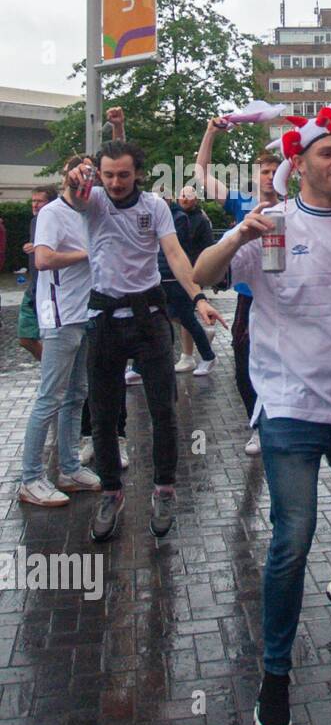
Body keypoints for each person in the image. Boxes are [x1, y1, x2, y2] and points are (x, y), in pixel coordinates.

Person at [193, 103, 331, 725]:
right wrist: (236, 238)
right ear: (299, 164)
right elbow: (199, 278)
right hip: (290, 408)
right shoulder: (273, 226)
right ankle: (275, 674)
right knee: (291, 540)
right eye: (328, 154)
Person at [64, 141, 224, 542]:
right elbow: (73, 195)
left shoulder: (154, 206)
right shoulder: (93, 200)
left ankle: (164, 489)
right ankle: (111, 492)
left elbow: (173, 253)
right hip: (103, 320)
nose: (115, 182)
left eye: (123, 174)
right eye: (108, 174)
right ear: (98, 175)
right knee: (102, 415)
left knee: (163, 411)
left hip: (150, 319)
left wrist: (198, 298)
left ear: (136, 173)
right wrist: (71, 182)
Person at [18, 163, 103, 506]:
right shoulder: (52, 213)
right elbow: (43, 259)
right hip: (59, 316)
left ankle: (69, 468)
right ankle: (31, 478)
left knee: (76, 393)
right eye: (84, 186)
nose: (89, 194)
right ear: (71, 183)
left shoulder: (88, 211)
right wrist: (87, 254)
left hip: (83, 312)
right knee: (49, 397)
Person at [198, 118, 284, 455]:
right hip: (251, 298)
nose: (268, 177)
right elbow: (202, 174)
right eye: (263, 171)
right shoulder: (241, 201)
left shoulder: (297, 205)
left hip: (287, 297)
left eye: (274, 170)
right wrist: (210, 133)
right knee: (243, 359)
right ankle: (257, 424)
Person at [160, 187, 218, 377]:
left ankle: (203, 355)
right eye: (183, 195)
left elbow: (202, 248)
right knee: (175, 316)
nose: (185, 198)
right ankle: (190, 354)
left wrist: (203, 272)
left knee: (185, 317)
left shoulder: (193, 219)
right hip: (168, 275)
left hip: (187, 274)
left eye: (189, 196)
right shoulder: (170, 216)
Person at [17, 186, 55, 362]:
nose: (35, 205)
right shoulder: (34, 222)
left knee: (52, 338)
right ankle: (50, 366)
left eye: (39, 201)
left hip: (49, 290)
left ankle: (56, 371)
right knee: (25, 338)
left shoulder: (56, 220)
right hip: (33, 287)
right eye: (33, 201)